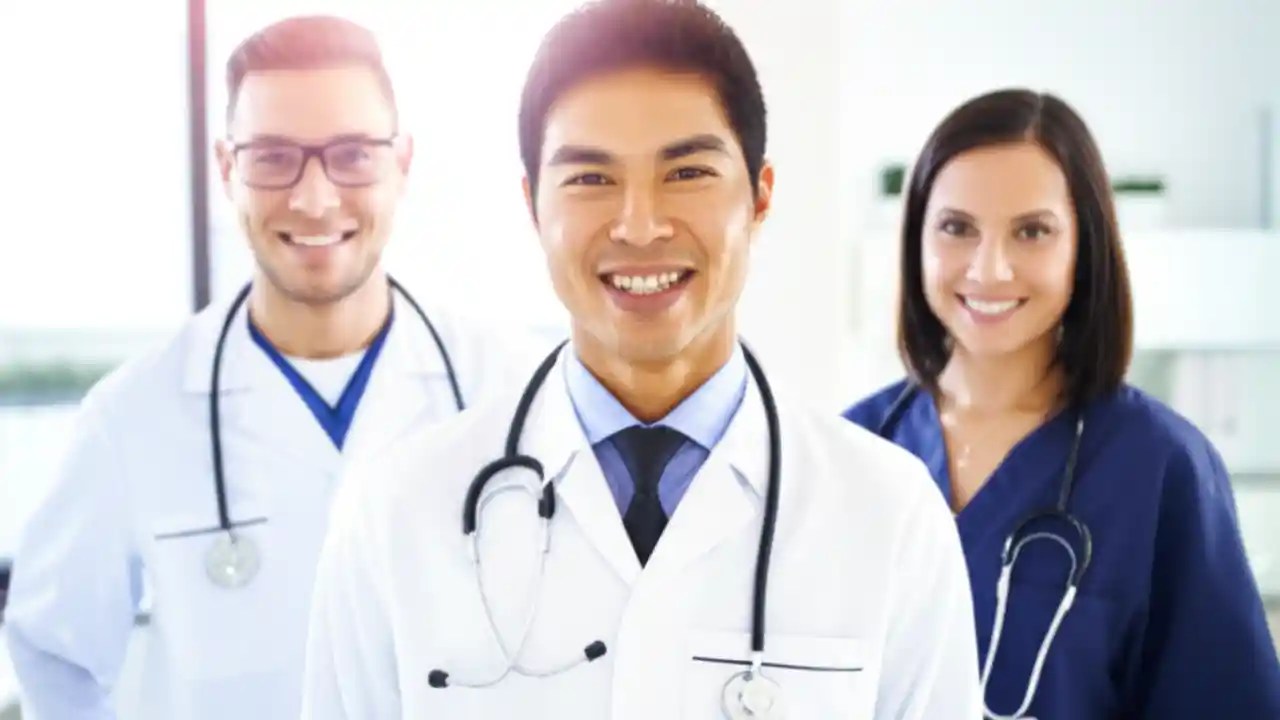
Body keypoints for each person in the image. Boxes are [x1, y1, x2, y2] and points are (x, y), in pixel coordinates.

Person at [299, 2, 982, 718]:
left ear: (760, 197)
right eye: (591, 180)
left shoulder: (889, 516)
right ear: (533, 206)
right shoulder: (396, 516)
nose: (639, 226)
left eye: (686, 172)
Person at [3, 14, 542, 720]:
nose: (314, 199)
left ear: (402, 164)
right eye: (272, 157)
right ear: (227, 169)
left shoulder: (511, 387)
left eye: (353, 155)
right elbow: (53, 651)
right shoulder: (133, 415)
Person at [843, 88, 1280, 718]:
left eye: (1032, 232)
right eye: (957, 228)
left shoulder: (1160, 468)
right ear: (916, 240)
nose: (989, 270)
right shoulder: (850, 453)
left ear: (1084, 248)